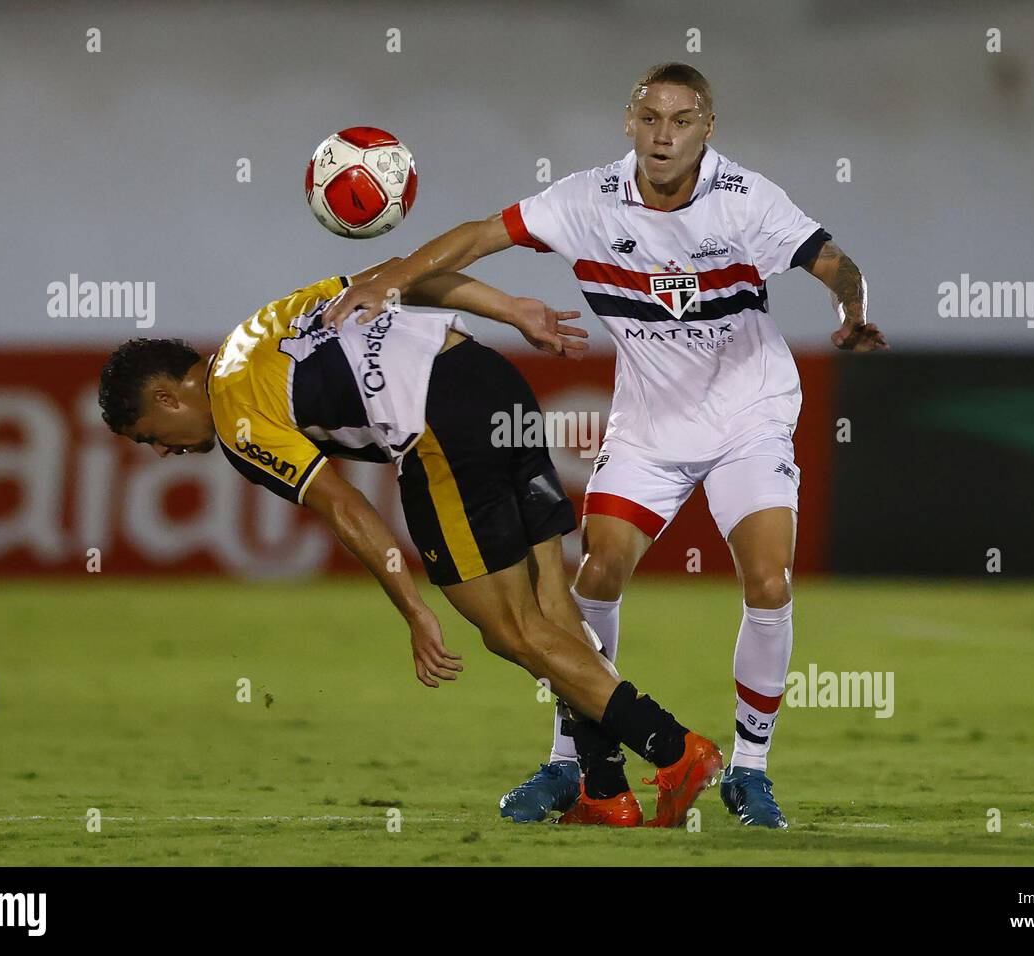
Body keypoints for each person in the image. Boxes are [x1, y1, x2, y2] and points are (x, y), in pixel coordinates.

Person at [323, 63, 888, 828]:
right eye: (650, 117)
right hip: (649, 426)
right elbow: (481, 235)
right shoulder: (586, 199)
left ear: (707, 130)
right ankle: (574, 763)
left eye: (682, 120)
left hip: (749, 414)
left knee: (769, 582)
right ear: (629, 120)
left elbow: (833, 261)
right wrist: (391, 278)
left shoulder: (746, 199)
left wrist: (852, 309)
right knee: (593, 578)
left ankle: (750, 772)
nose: (664, 133)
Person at [96, 260, 723, 827]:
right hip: (491, 378)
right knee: (553, 614)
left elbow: (346, 508)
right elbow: (404, 274)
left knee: (511, 631)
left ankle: (674, 749)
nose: (160, 452)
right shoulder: (259, 326)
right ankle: (606, 792)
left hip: (438, 426)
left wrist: (414, 610)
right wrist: (510, 309)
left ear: (165, 396)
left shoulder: (236, 417)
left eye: (149, 435)